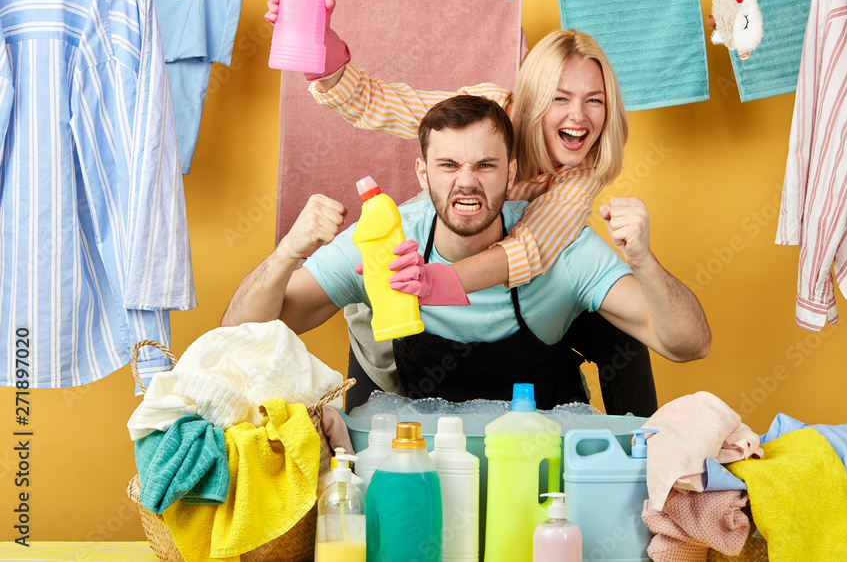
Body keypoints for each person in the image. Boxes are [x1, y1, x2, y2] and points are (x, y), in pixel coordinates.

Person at [266, 0, 659, 414]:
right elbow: (391, 104)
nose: (578, 116)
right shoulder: (487, 111)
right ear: (532, 98)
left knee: (621, 333)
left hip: (503, 289)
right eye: (560, 97)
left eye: (594, 100)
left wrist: (437, 281)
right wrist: (322, 53)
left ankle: (644, 448)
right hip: (408, 279)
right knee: (380, 394)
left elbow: (529, 249)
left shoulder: (581, 173)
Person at [222, 94, 710, 409]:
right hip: (424, 462)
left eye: (485, 165)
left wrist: (643, 261)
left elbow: (690, 344)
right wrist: (287, 253)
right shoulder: (386, 240)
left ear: (511, 171)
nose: (467, 182)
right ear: (423, 173)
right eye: (449, 165)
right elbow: (238, 336)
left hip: (545, 462)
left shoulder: (562, 248)